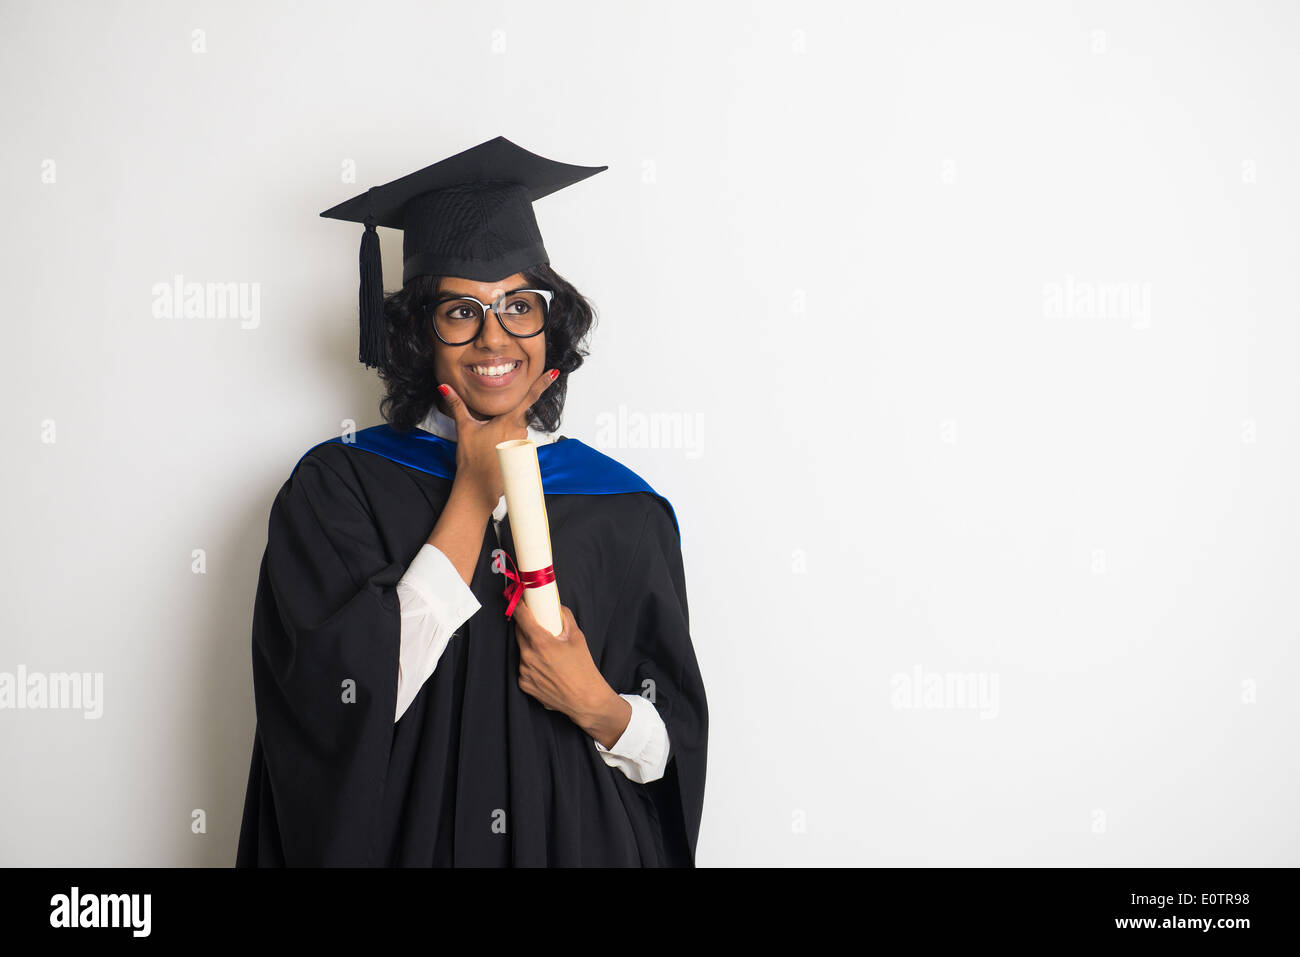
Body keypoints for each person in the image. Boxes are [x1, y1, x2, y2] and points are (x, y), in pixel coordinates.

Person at [235, 137, 708, 866]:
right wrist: (473, 491)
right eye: (460, 311)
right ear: (419, 332)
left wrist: (600, 706)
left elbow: (671, 754)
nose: (495, 336)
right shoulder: (338, 489)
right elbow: (326, 716)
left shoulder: (626, 510)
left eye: (520, 305)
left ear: (552, 325)